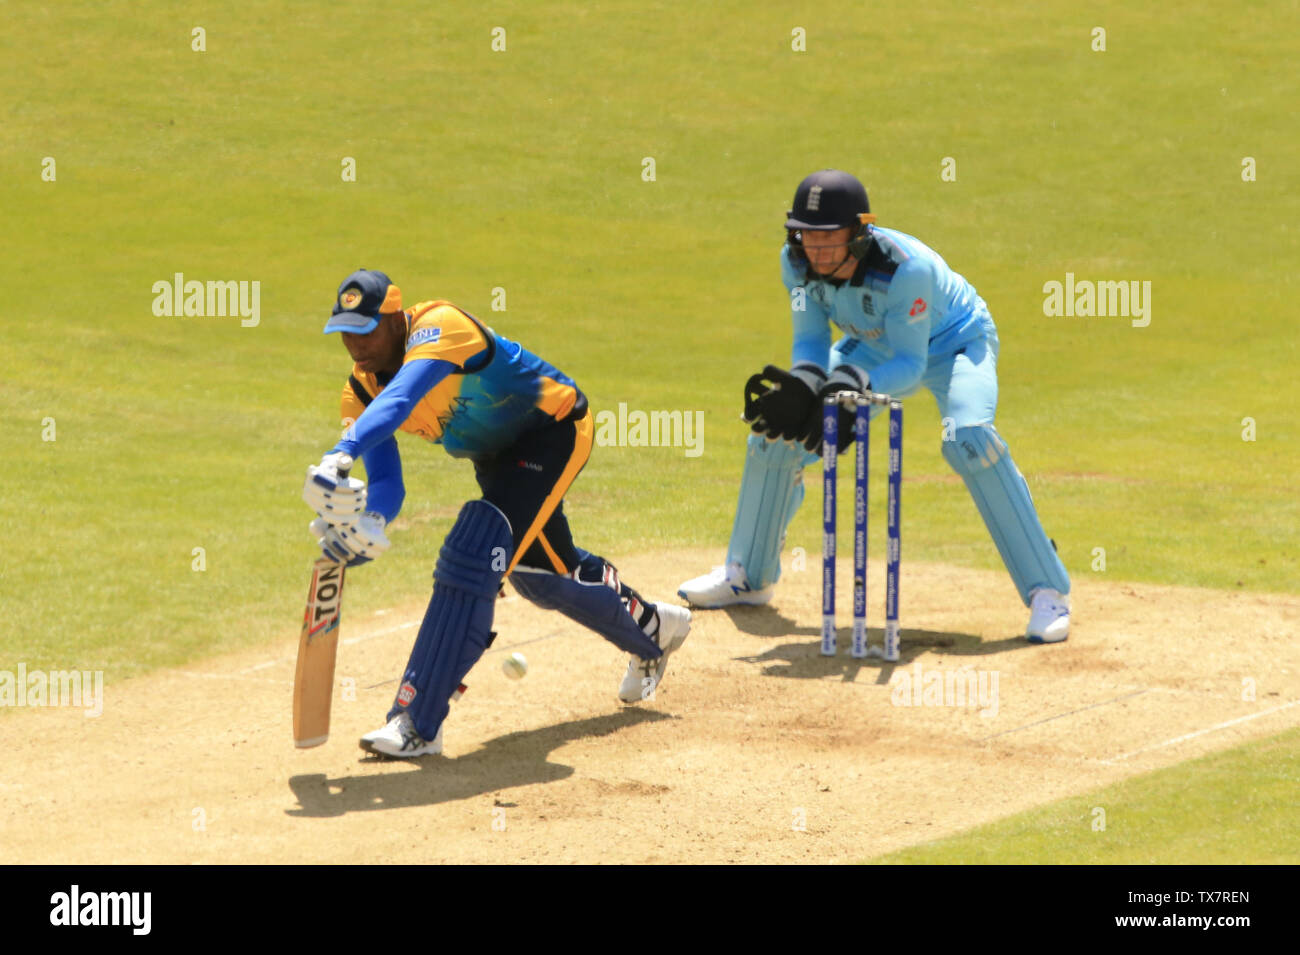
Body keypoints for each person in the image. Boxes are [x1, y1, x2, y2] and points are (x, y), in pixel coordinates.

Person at [302, 269, 691, 758]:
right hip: (496, 459)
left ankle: (416, 721)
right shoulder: (358, 392)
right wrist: (367, 527)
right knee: (539, 573)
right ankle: (655, 630)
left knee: (476, 548)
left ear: (396, 319)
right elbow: (386, 484)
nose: (356, 347)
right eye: (345, 334)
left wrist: (341, 453)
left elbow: (402, 400)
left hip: (553, 431)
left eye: (367, 331)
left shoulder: (440, 326)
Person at [678, 170, 1071, 643]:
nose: (817, 251)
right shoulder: (796, 261)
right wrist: (807, 385)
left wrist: (851, 385)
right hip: (875, 345)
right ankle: (747, 575)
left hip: (956, 342)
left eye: (830, 238)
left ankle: (1048, 589)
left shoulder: (909, 270)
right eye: (808, 236)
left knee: (968, 439)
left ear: (859, 233)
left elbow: (911, 363)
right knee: (777, 437)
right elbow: (810, 338)